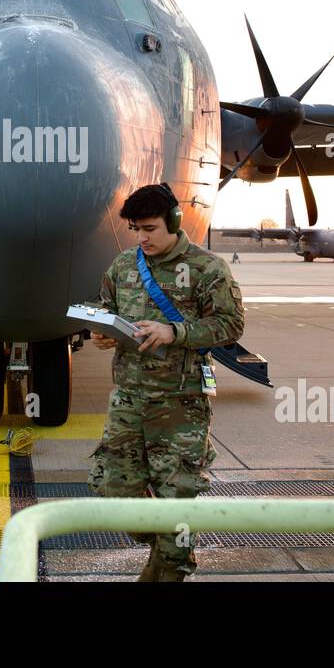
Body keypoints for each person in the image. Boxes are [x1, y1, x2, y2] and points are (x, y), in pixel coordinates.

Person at [87, 182, 245, 581]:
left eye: (151, 229)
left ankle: (171, 563)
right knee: (114, 490)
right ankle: (165, 544)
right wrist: (102, 332)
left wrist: (176, 332)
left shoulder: (207, 268)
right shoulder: (124, 266)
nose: (143, 238)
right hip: (128, 401)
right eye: (136, 230)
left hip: (181, 405)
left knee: (178, 498)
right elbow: (106, 308)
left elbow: (231, 325)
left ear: (174, 221)